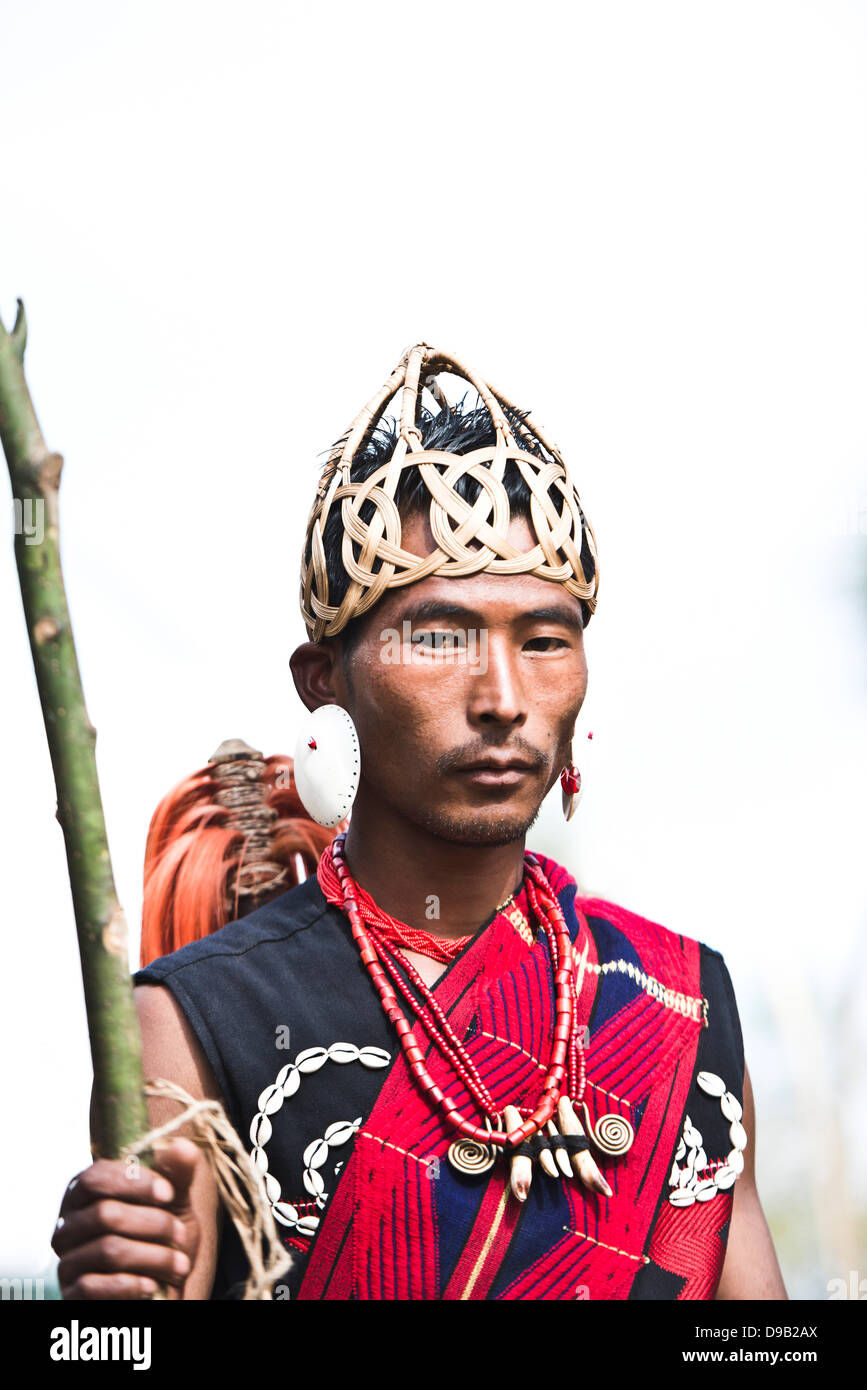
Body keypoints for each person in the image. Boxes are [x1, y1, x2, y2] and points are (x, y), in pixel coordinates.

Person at [51, 343, 787, 1300]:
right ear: (326, 684)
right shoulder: (198, 1020)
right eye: (440, 636)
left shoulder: (677, 1002)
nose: (502, 697)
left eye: (544, 640)